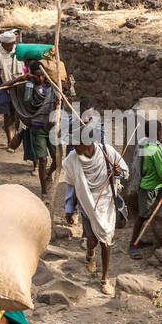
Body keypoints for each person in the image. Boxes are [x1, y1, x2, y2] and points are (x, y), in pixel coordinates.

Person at [63, 121, 128, 296]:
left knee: (106, 239)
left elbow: (124, 171)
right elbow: (70, 184)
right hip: (86, 203)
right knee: (92, 240)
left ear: (88, 143)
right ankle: (90, 251)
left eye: (76, 142)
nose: (73, 145)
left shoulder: (107, 152)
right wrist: (70, 207)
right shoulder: (72, 159)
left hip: (106, 201)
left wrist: (118, 172)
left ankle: (105, 278)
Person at [8, 60, 61, 199]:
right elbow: (4, 86)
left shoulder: (53, 87)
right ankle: (44, 192)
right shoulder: (27, 86)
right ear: (31, 74)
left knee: (58, 159)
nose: (40, 78)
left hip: (52, 128)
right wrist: (21, 78)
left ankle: (48, 174)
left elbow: (65, 95)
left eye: (42, 75)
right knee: (42, 159)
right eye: (37, 76)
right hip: (37, 128)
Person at [129, 119, 162, 258]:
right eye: (161, 130)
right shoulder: (155, 150)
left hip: (147, 183)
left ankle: (139, 240)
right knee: (142, 217)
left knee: (145, 215)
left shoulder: (145, 144)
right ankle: (133, 245)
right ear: (157, 133)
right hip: (150, 187)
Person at [63, 98, 100, 229]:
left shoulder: (97, 123)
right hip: (75, 158)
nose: (89, 118)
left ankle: (87, 226)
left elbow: (102, 142)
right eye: (86, 115)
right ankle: (71, 209)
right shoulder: (71, 121)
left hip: (91, 160)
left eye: (91, 115)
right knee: (73, 186)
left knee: (88, 189)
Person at [0, 29, 24, 149]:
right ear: (3, 43)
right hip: (2, 86)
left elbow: (25, 66)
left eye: (13, 43)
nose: (12, 46)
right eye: (10, 44)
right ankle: (9, 139)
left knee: (17, 114)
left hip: (18, 86)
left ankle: (6, 127)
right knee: (7, 114)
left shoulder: (18, 51)